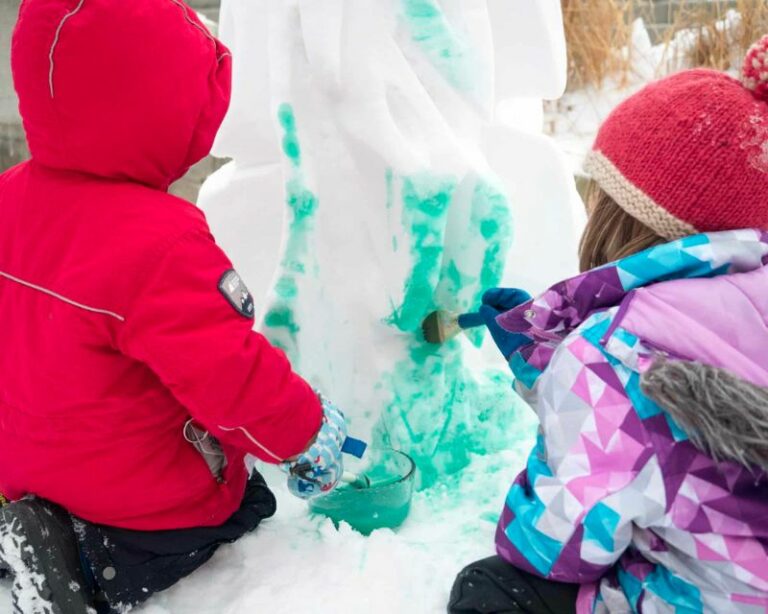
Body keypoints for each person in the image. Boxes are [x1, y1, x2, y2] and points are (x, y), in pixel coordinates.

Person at [0, 1, 348, 612]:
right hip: (133, 498)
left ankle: (34, 523)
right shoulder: (161, 244)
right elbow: (232, 379)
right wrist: (305, 434)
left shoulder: (10, 196)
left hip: (26, 461)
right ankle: (87, 558)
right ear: (156, 106)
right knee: (244, 504)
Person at [450, 35, 768, 614]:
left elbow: (559, 543)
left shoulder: (615, 354)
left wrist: (575, 371)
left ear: (624, 218)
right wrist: (549, 358)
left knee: (490, 588)